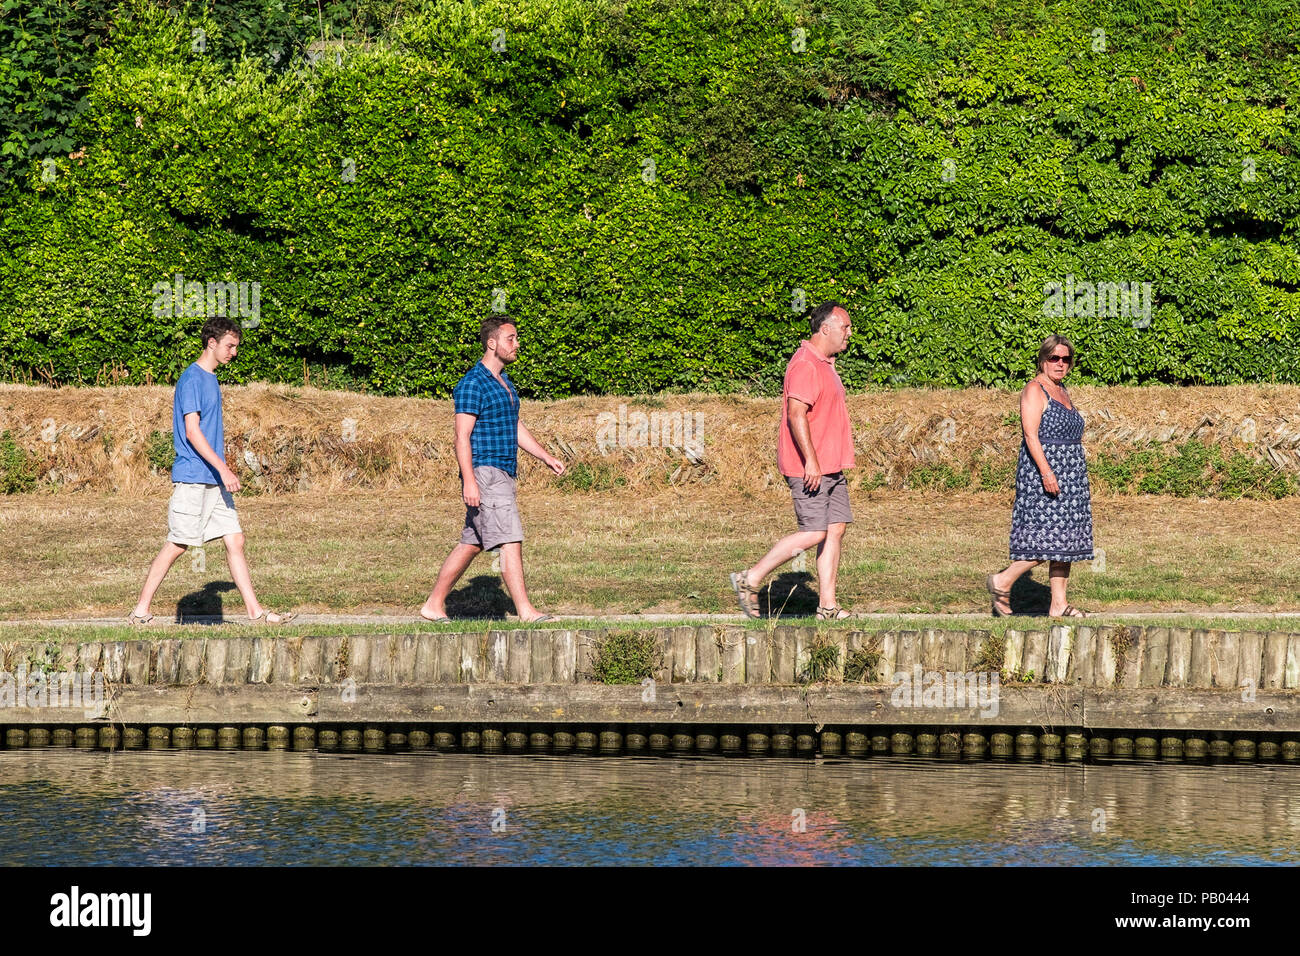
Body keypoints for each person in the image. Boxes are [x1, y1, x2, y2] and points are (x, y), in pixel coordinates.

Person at [128, 317, 296, 625]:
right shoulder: (192, 378)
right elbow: (192, 432)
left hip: (213, 479)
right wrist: (225, 469)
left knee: (235, 540)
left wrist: (220, 473)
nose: (234, 353)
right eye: (230, 346)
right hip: (194, 477)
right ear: (212, 343)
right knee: (178, 544)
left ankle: (255, 611)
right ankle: (140, 610)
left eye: (236, 347)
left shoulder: (211, 379)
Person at [419, 316, 566, 623]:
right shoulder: (473, 383)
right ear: (492, 343)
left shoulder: (504, 382)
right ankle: (526, 611)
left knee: (472, 543)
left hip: (503, 472)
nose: (517, 344)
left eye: (516, 338)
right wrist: (469, 482)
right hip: (486, 472)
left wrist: (545, 456)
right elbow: (461, 436)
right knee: (511, 538)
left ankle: (433, 605)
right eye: (510, 339)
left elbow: (513, 425)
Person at [731, 301, 855, 620]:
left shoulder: (826, 363)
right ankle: (751, 578)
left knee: (835, 529)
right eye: (845, 327)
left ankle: (827, 606)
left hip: (831, 466)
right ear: (825, 328)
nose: (849, 334)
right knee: (814, 531)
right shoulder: (805, 364)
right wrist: (811, 462)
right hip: (809, 468)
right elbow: (795, 415)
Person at [986, 334, 1094, 618]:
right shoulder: (1035, 390)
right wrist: (1047, 472)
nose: (1060, 364)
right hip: (1044, 472)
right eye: (1054, 358)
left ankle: (1058, 605)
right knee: (1045, 539)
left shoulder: (1062, 390)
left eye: (1066, 359)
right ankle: (1003, 580)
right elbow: (1030, 435)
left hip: (1071, 474)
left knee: (1067, 540)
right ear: (1043, 359)